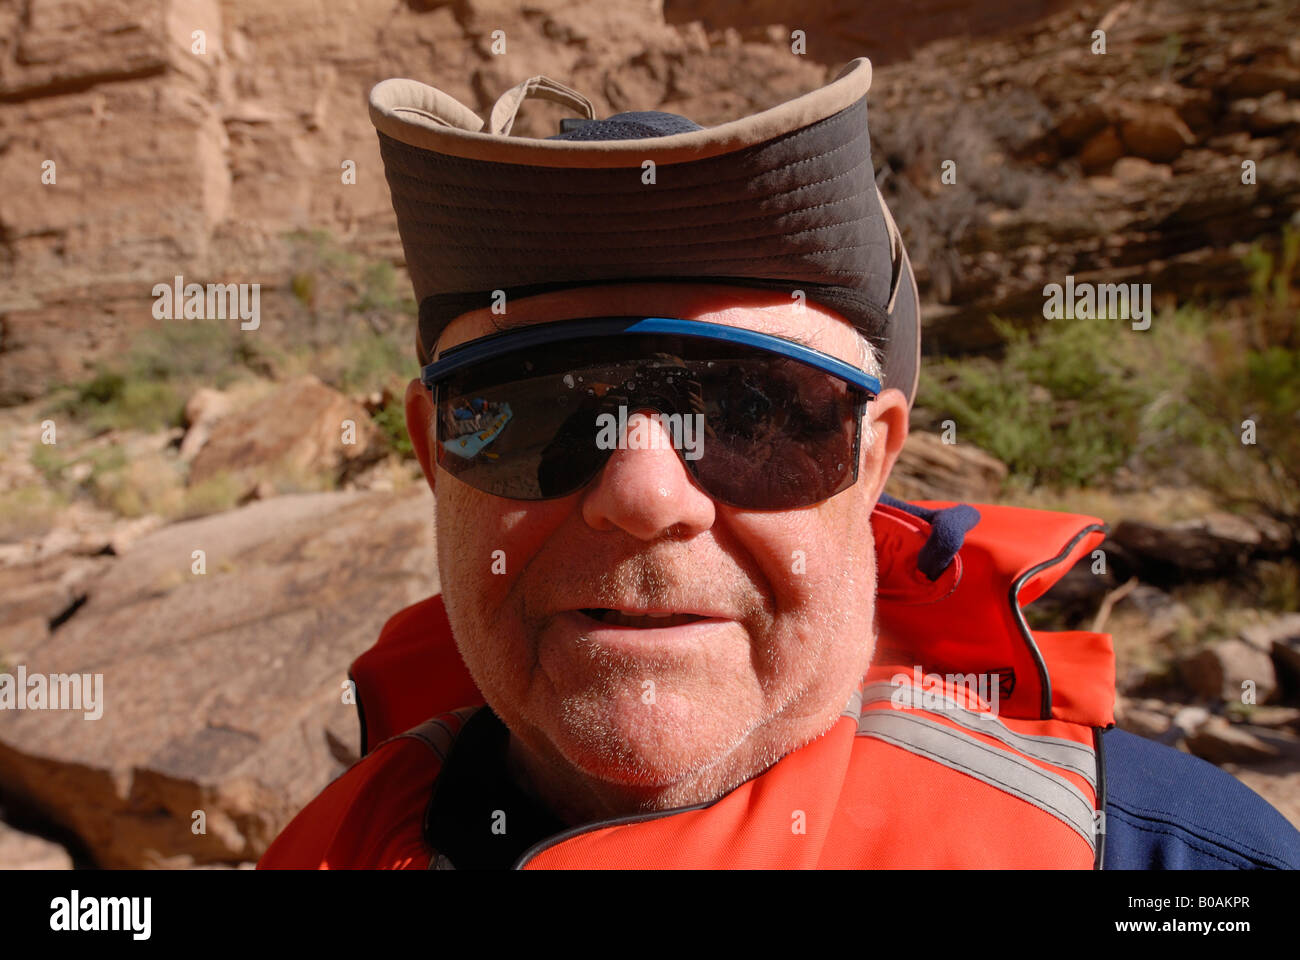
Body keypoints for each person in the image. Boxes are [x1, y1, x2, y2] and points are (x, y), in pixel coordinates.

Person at [259, 62, 1300, 870]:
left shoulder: (1156, 857)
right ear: (433, 457)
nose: (641, 494)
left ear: (874, 460)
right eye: (540, 407)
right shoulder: (317, 851)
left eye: (753, 412)